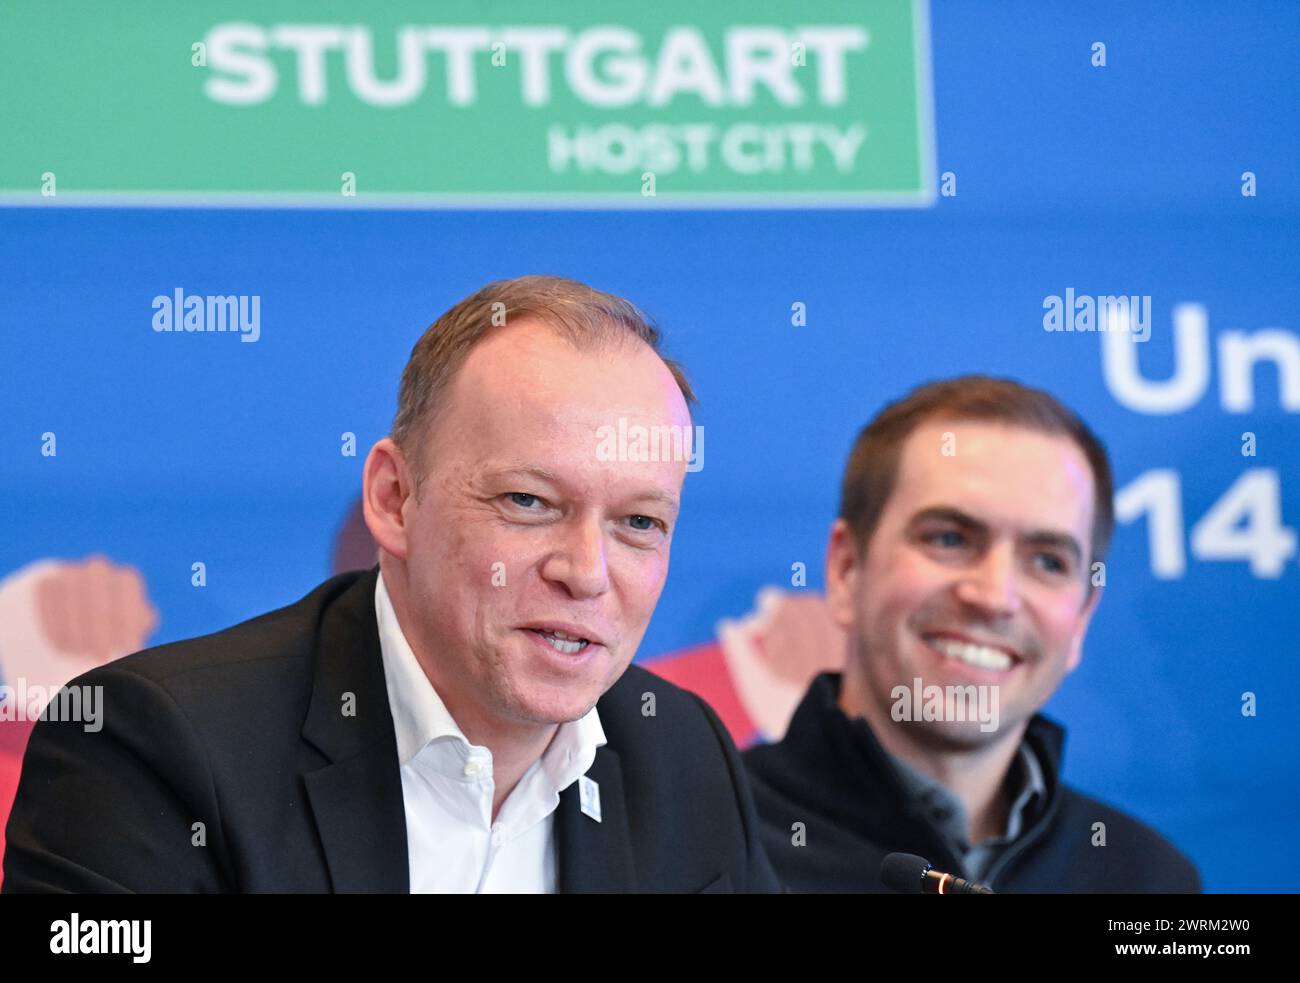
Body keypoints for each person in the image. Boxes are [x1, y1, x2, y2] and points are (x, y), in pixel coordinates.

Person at [3, 275, 778, 894]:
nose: (585, 571)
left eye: (639, 522)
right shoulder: (156, 748)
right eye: (529, 502)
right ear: (393, 499)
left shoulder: (684, 756)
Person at [743, 376, 1201, 893]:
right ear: (847, 569)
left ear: (1081, 619)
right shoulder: (703, 843)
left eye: (1048, 561)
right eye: (950, 538)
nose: (993, 596)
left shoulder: (1146, 879)